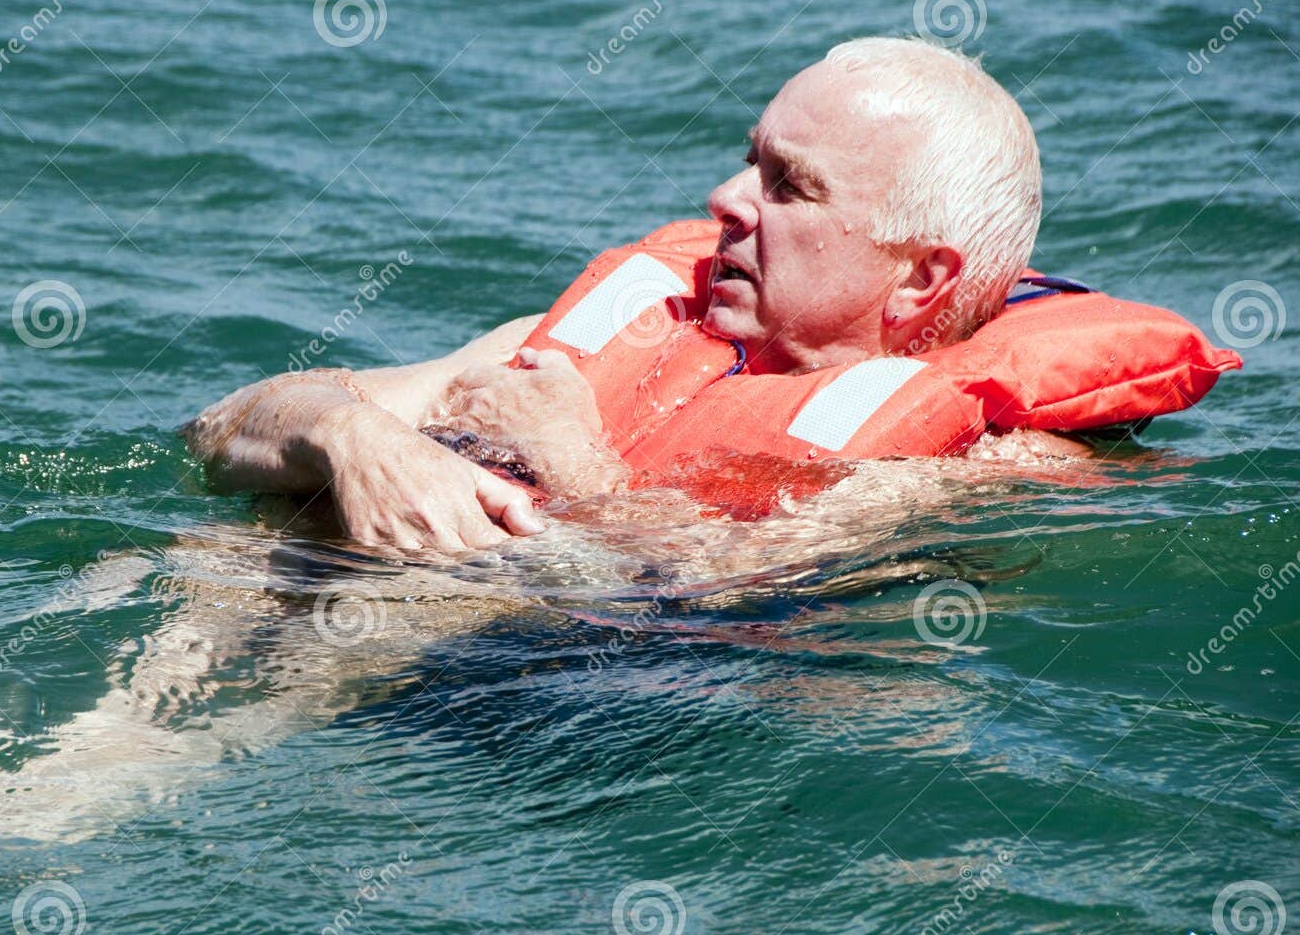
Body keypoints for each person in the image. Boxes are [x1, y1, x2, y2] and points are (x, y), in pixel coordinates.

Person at [182, 36, 1064, 550]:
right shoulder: (596, 340)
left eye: (787, 185)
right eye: (748, 157)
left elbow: (697, 611)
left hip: (535, 722)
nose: (725, 197)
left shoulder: (968, 470)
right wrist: (354, 438)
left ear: (921, 279)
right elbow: (216, 433)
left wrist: (571, 458)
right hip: (293, 611)